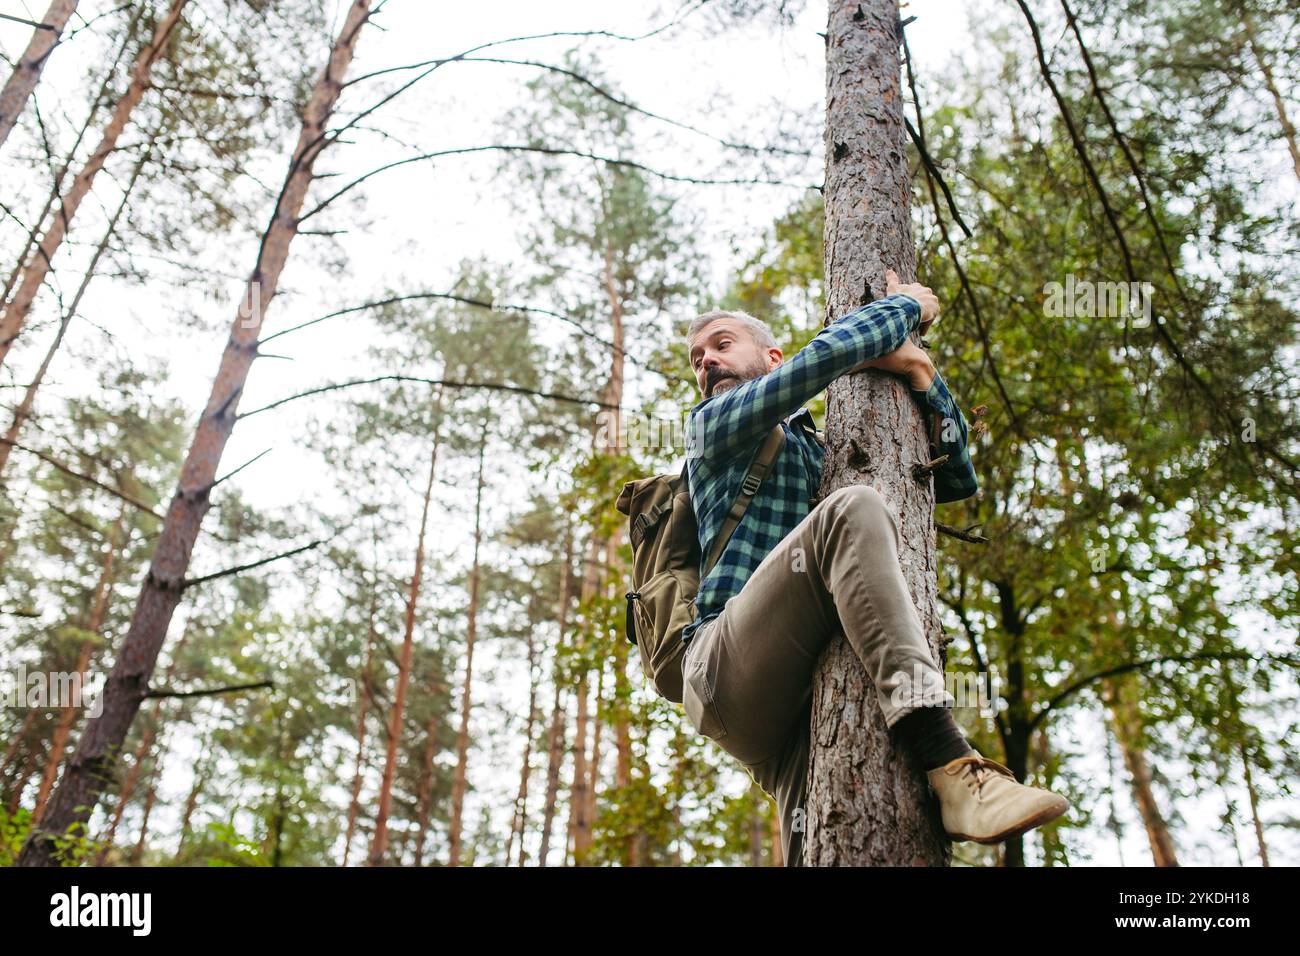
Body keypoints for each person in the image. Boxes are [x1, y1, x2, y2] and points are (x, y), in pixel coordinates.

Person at [680, 270, 1068, 865]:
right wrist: (906, 306)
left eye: (722, 344)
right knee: (852, 510)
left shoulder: (816, 451)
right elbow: (826, 358)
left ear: (769, 354)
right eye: (696, 357)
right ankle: (951, 764)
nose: (705, 361)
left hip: (792, 705)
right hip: (724, 665)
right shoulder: (710, 428)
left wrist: (921, 374)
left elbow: (955, 477)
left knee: (827, 843)